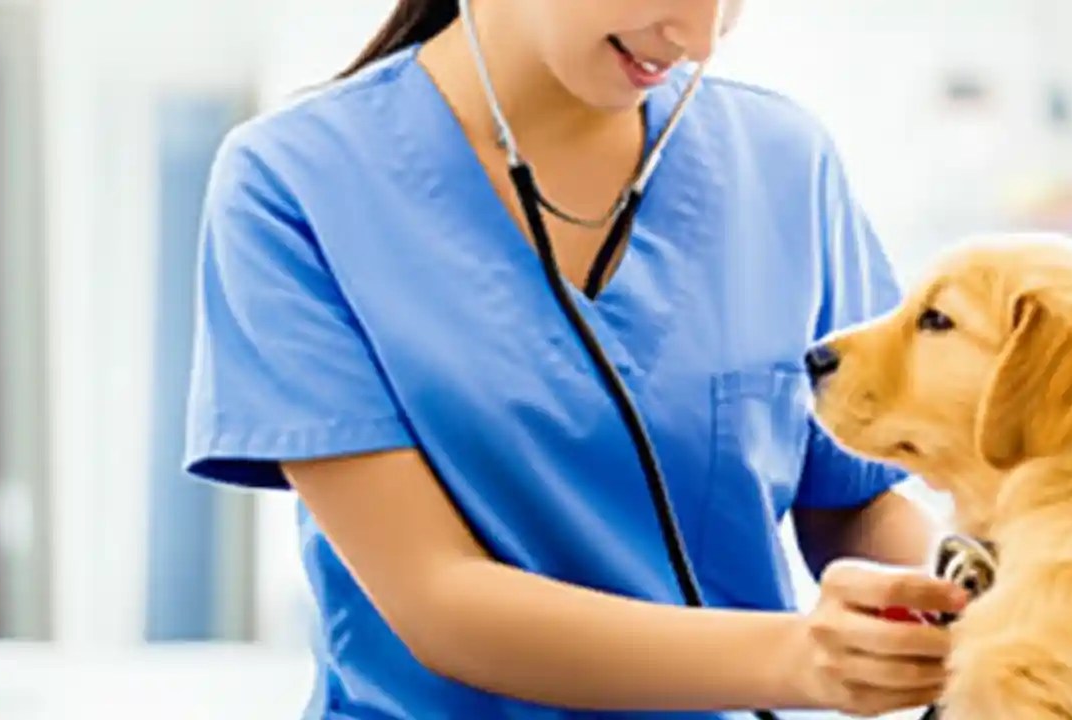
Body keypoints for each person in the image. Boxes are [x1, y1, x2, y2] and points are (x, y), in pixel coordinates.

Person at [185, 1, 988, 718]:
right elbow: (439, 598)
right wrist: (799, 659)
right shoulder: (293, 183)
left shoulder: (782, 161)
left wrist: (1003, 606)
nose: (701, 36)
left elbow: (850, 502)